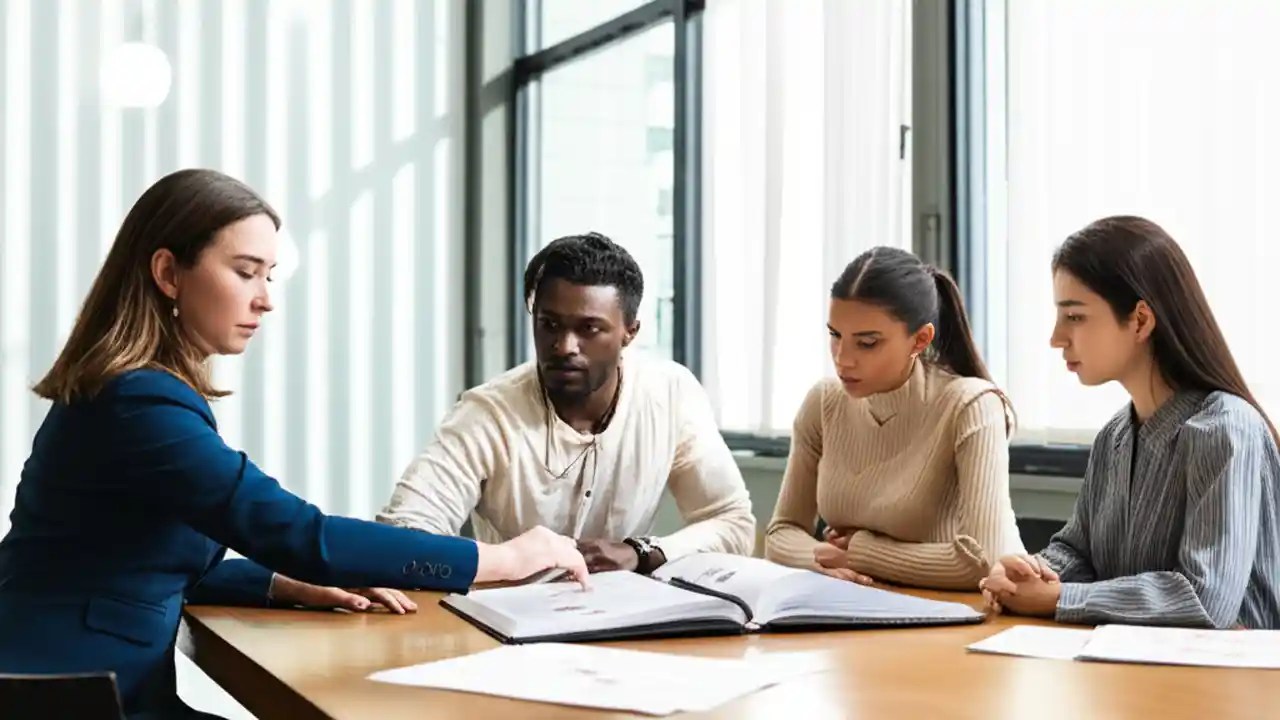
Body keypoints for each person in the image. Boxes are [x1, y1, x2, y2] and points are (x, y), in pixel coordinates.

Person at [0, 169, 588, 719]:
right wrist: (501, 560)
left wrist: (284, 584)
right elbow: (300, 534)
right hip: (68, 697)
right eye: (245, 271)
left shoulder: (132, 392)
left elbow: (135, 561)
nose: (265, 298)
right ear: (168, 273)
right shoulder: (140, 404)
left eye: (269, 275)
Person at [378, 232, 755, 574]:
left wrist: (642, 552)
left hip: (626, 615)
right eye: (550, 325)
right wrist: (505, 560)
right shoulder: (488, 414)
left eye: (589, 328)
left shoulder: (670, 394)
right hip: (506, 614)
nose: (564, 347)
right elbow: (403, 534)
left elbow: (733, 522)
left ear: (630, 332)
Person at [981, 216, 1280, 629]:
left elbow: (1205, 597)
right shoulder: (1115, 436)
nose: (1056, 338)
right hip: (1132, 661)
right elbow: (1078, 552)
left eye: (1075, 317)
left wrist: (1060, 597)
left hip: (1231, 668)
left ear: (1140, 320)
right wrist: (1028, 574)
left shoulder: (1226, 429)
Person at [764, 246, 1024, 590]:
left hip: (959, 611)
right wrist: (819, 557)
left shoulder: (971, 405)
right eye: (835, 336)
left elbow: (982, 561)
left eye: (867, 343)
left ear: (920, 339)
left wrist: (860, 552)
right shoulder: (824, 402)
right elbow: (780, 533)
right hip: (857, 604)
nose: (843, 359)